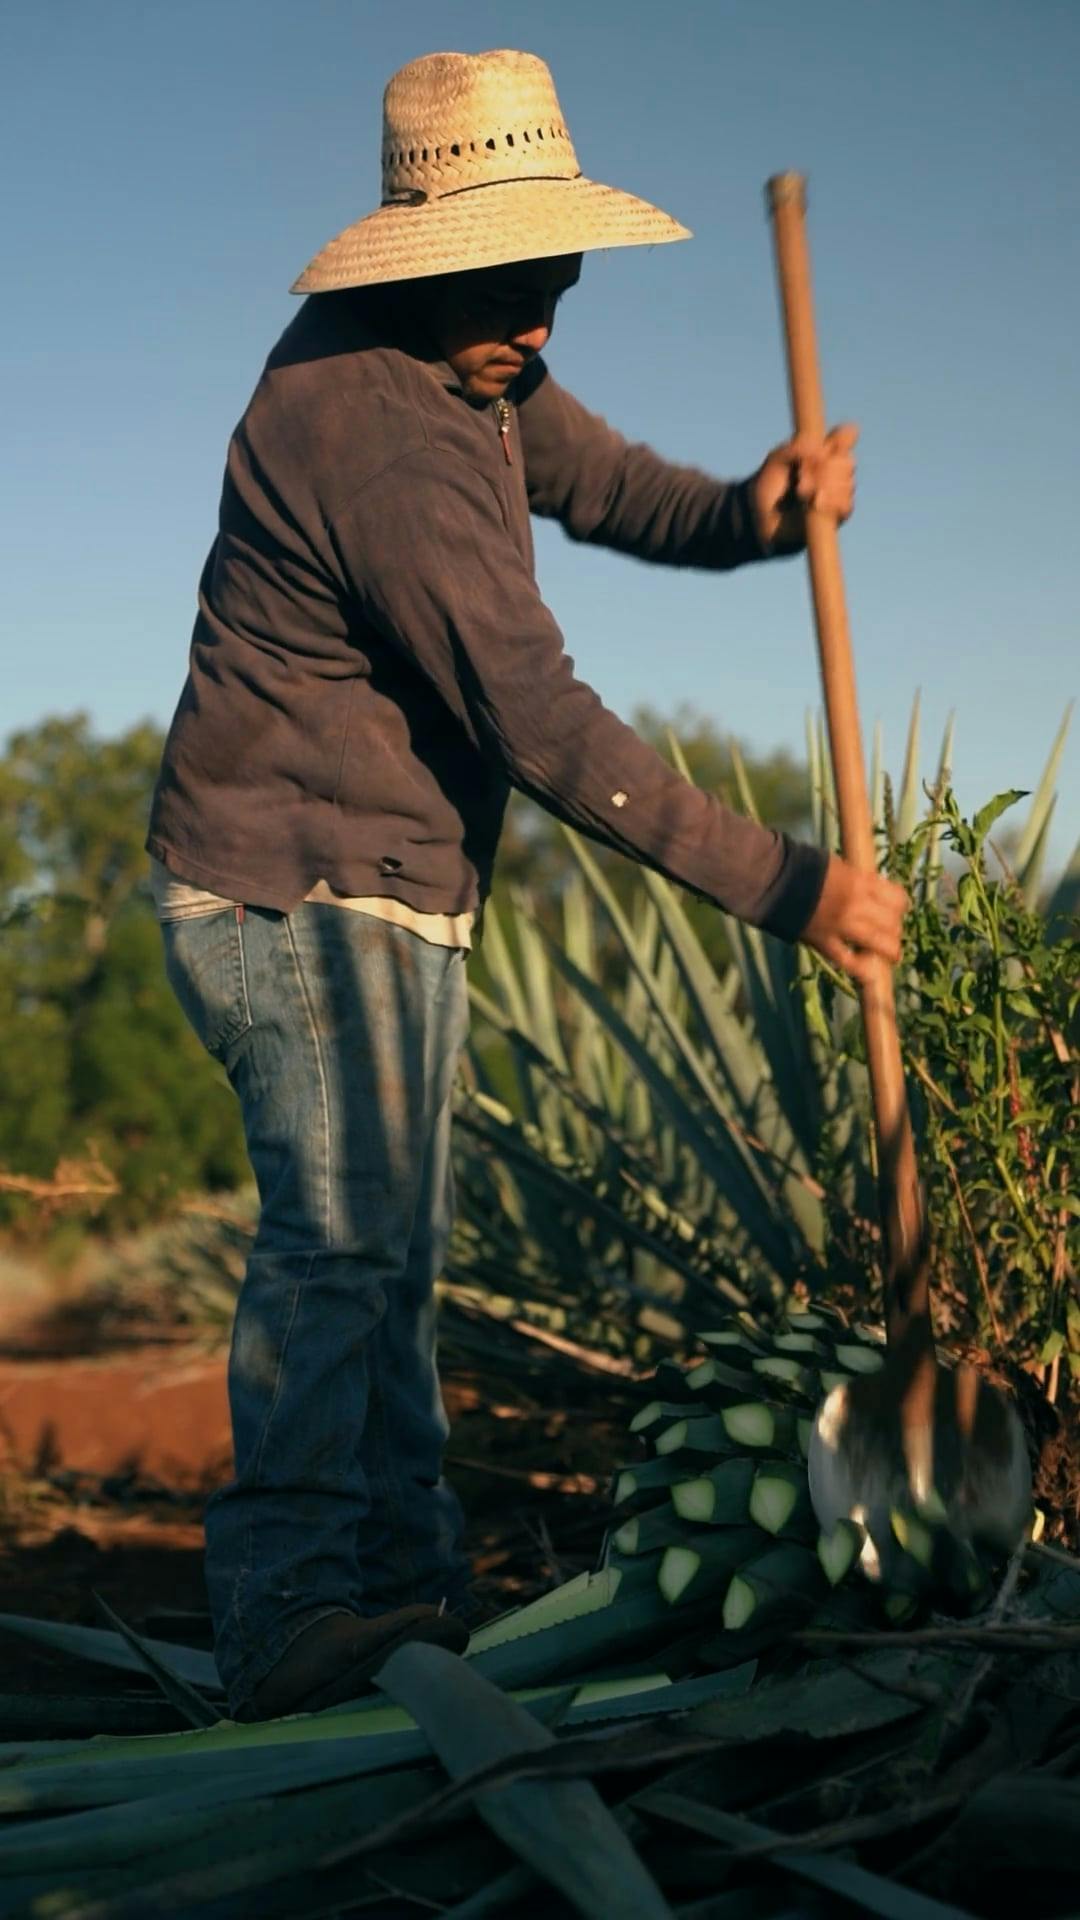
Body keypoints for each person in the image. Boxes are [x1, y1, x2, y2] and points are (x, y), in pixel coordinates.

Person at [146, 47, 908, 1721]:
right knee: (339, 1251)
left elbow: (608, 481)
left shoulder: (478, 357)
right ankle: (285, 1621)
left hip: (396, 879)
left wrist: (753, 514)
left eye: (558, 274)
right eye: (518, 281)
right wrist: (794, 890)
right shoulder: (372, 432)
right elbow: (541, 721)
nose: (547, 319)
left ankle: (412, 1598)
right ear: (426, 260)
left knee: (393, 1256)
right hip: (296, 887)